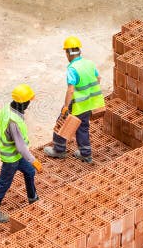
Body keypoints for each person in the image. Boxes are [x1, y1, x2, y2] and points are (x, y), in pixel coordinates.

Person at [44, 36, 105, 164]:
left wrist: (66, 107)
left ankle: (59, 150)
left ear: (68, 53)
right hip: (89, 103)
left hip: (77, 104)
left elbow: (71, 90)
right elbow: (98, 78)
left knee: (63, 123)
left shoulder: (72, 69)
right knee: (83, 127)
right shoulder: (89, 63)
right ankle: (85, 154)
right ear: (79, 51)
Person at [0, 84, 42, 223]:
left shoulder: (7, 108)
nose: (29, 104)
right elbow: (21, 147)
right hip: (11, 158)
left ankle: (33, 198)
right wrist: (33, 160)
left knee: (29, 171)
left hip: (16, 156)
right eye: (28, 101)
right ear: (22, 103)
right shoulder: (14, 121)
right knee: (4, 183)